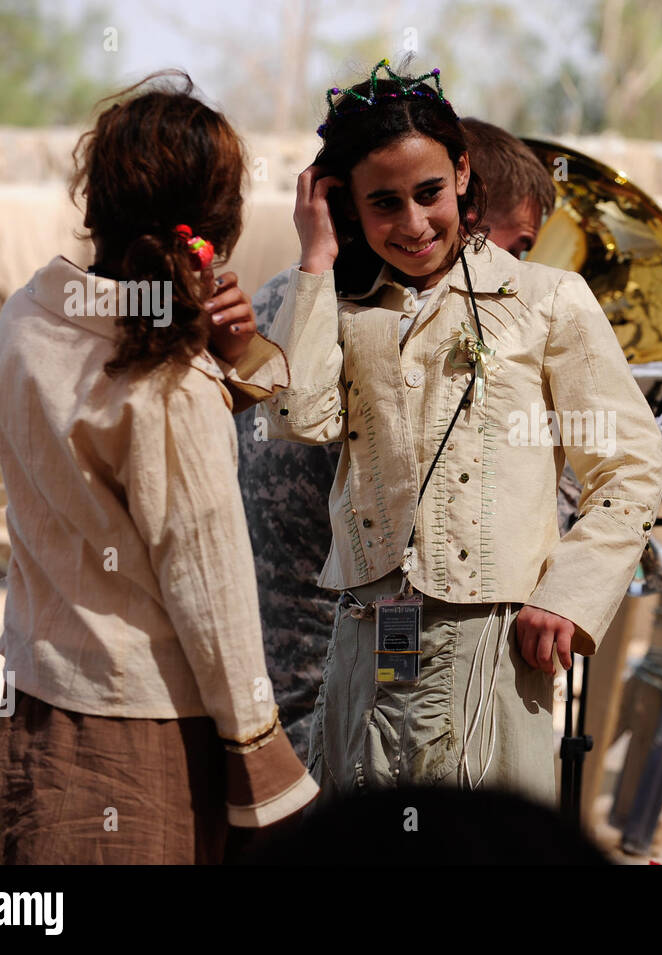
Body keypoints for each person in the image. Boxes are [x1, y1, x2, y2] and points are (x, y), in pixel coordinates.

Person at [264, 59, 662, 806]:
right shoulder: (342, 308)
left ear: (462, 174)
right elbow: (301, 416)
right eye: (383, 204)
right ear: (346, 207)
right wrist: (316, 258)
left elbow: (631, 464)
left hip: (498, 650)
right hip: (367, 646)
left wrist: (570, 595)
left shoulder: (547, 298)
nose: (413, 223)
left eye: (429, 194)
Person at [0, 73, 317, 864]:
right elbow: (211, 590)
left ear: (95, 202)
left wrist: (226, 353)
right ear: (217, 228)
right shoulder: (168, 382)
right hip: (143, 741)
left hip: (36, 712)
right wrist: (264, 758)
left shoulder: (28, 319)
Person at [237, 115, 560, 761]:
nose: (517, 269)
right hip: (338, 653)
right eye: (518, 247)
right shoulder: (348, 306)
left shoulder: (315, 290)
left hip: (338, 652)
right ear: (471, 209)